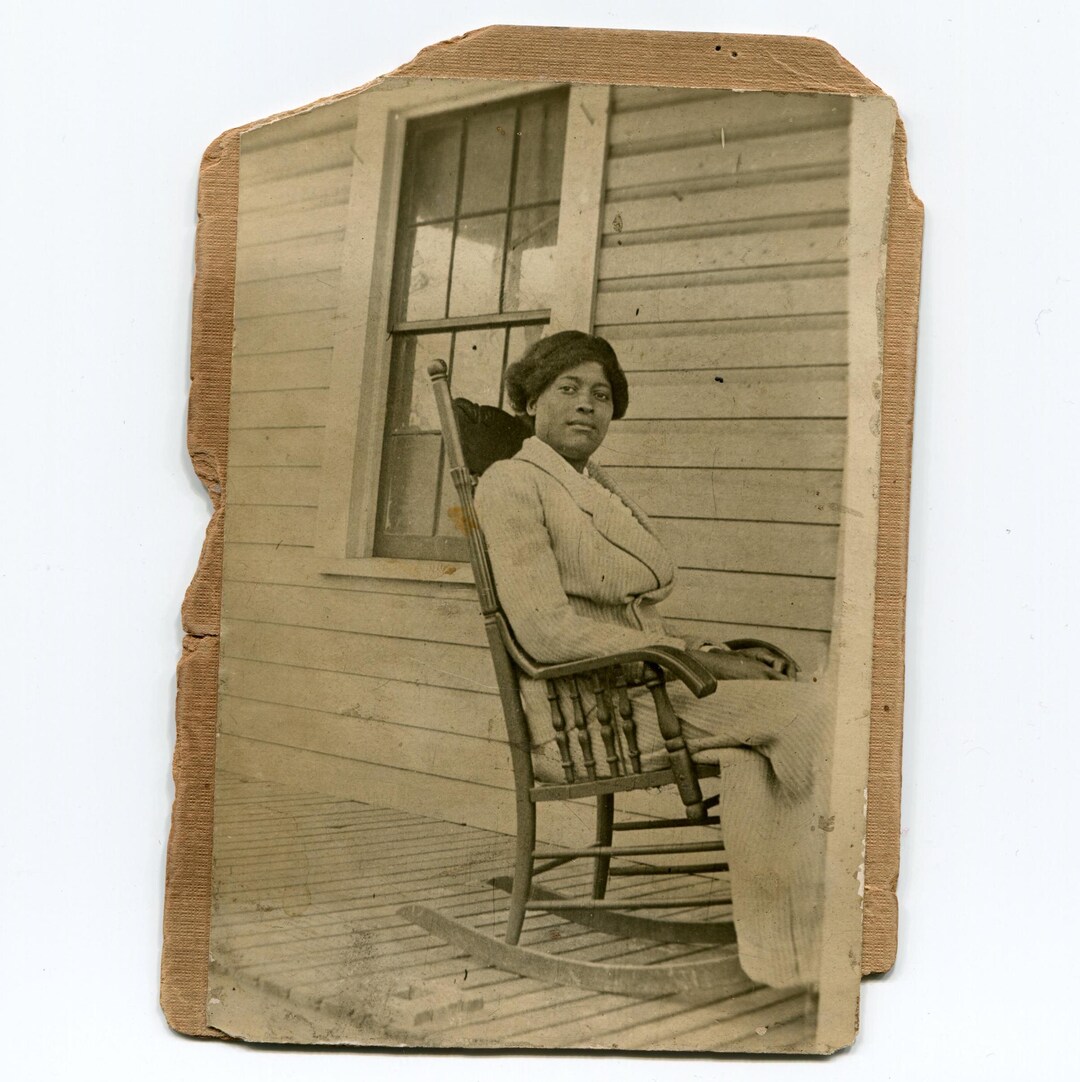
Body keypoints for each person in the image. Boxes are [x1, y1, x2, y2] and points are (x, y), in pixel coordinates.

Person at [473, 330, 831, 990]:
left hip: (645, 689)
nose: (587, 405)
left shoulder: (589, 486)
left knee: (779, 730)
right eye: (568, 389)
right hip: (590, 712)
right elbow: (547, 632)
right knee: (815, 714)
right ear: (531, 401)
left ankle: (785, 940)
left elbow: (631, 614)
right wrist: (688, 660)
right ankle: (813, 933)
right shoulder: (511, 485)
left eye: (602, 395)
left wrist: (712, 654)